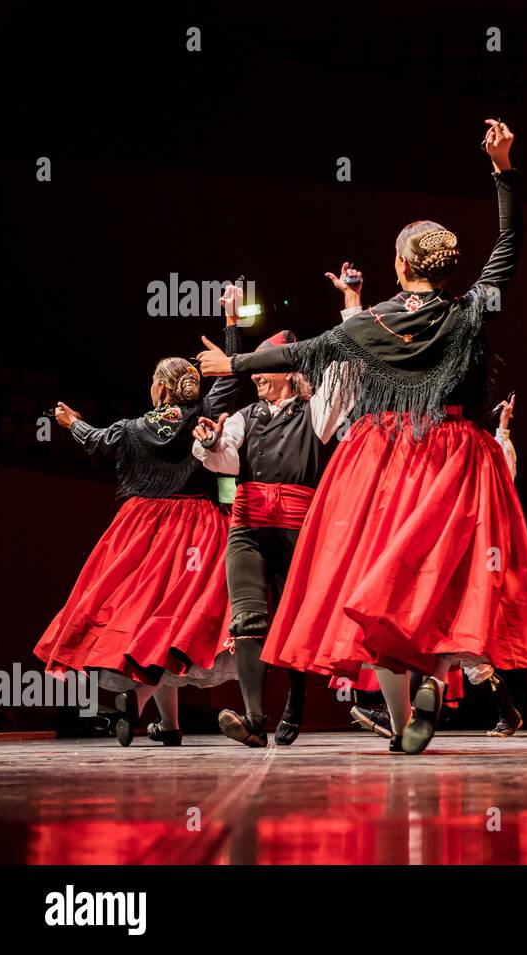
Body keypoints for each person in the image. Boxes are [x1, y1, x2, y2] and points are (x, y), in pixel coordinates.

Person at [197, 120, 527, 756]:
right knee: (448, 580)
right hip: (460, 454)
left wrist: (232, 363)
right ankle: (438, 681)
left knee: (376, 586)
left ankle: (406, 706)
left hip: (386, 459)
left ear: (400, 265)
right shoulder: (472, 308)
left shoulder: (371, 324)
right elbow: (511, 243)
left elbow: (302, 353)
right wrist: (503, 170)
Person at [37, 330, 241, 746]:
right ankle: (168, 725)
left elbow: (96, 441)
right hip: (195, 528)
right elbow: (232, 377)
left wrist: (71, 421)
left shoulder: (131, 428)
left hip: (140, 527)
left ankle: (153, 714)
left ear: (160, 387)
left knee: (146, 619)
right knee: (172, 623)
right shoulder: (202, 413)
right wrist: (232, 328)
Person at [193, 274, 361, 746]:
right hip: (247, 527)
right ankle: (253, 720)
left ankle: (296, 702)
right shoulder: (246, 417)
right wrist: (208, 444)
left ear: (288, 369)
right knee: (247, 619)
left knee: (295, 623)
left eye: (264, 368)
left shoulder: (318, 412)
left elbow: (347, 369)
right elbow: (224, 457)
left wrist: (351, 302)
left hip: (298, 531)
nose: (256, 375)